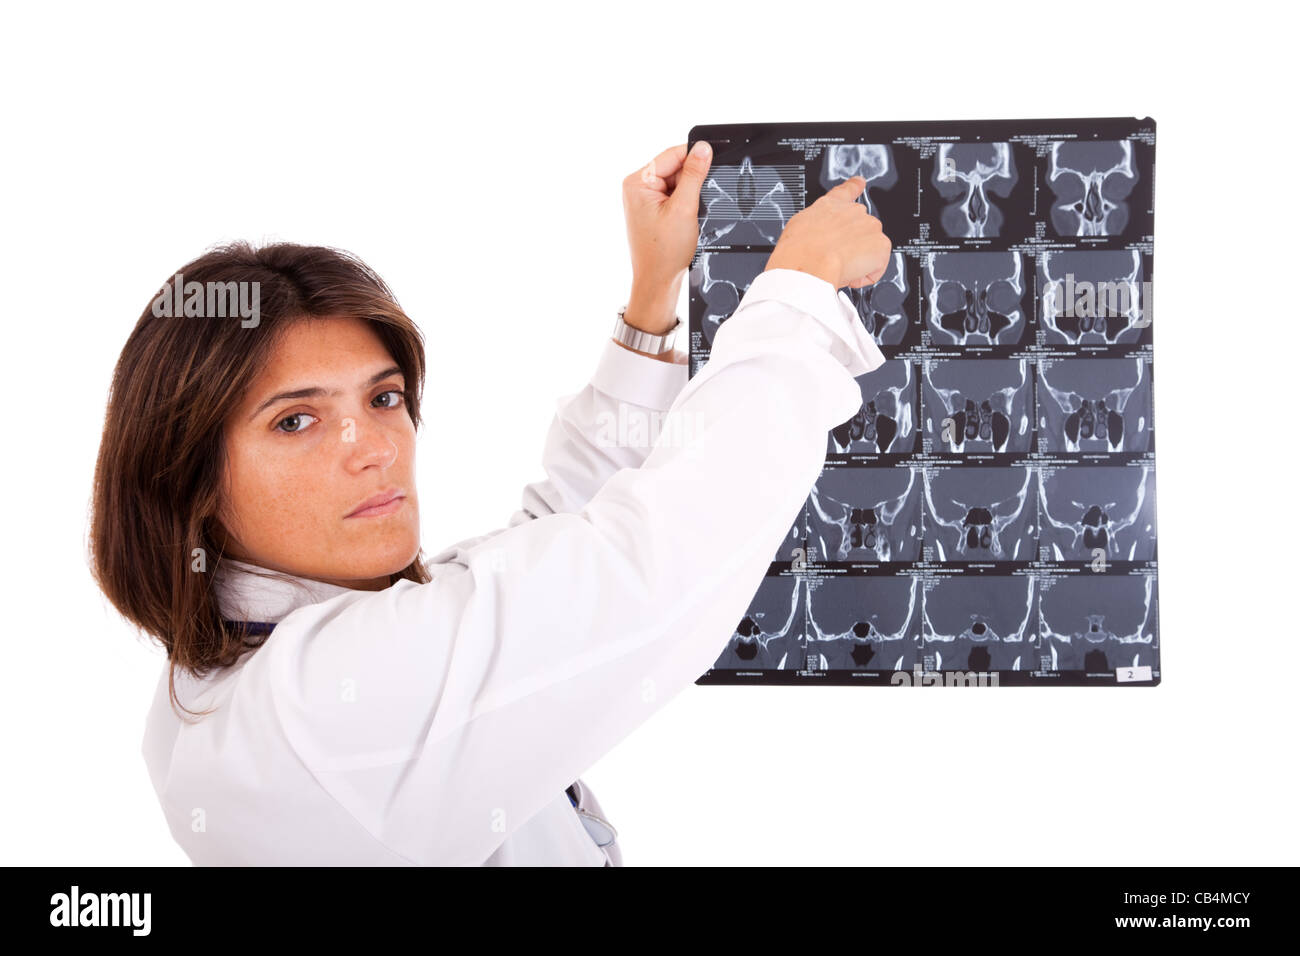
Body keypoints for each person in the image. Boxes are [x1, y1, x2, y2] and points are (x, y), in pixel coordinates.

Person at [88, 140, 892, 866]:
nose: (371, 446)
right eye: (296, 421)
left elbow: (541, 565)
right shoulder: (324, 705)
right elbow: (645, 575)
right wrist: (797, 298)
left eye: (384, 398)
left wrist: (652, 300)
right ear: (186, 479)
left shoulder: (218, 679)